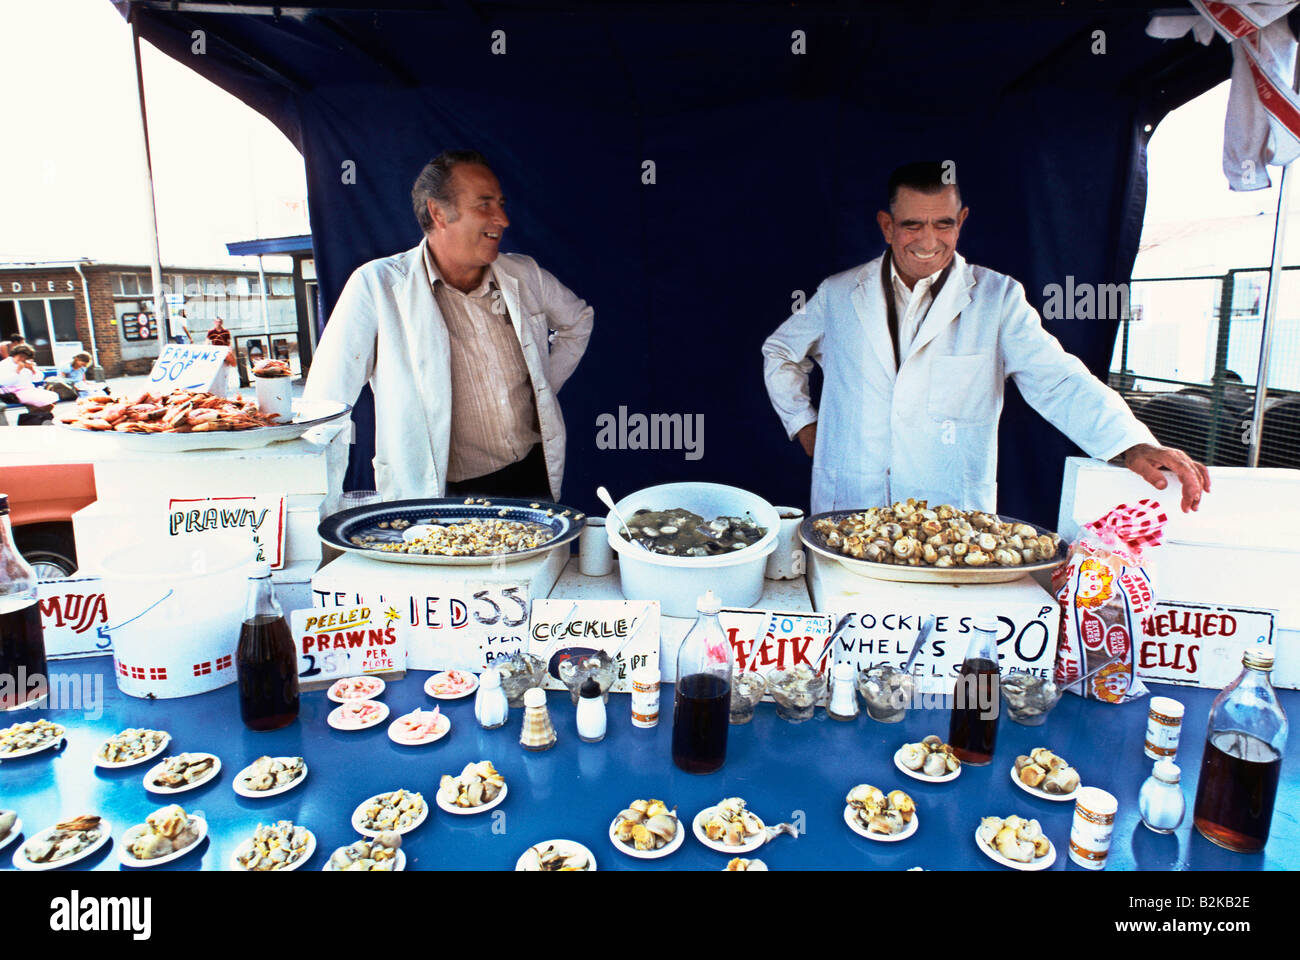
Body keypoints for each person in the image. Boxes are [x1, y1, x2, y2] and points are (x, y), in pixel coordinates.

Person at [761, 161, 1210, 515]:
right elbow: (780, 351)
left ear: (962, 221)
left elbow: (1056, 379)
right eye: (913, 224)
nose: (928, 240)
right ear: (886, 225)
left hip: (947, 511)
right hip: (850, 500)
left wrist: (1131, 443)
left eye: (944, 224)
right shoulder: (840, 294)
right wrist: (804, 424)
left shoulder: (998, 298)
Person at [304, 150, 594, 501]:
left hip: (531, 477)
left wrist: (542, 388)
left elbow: (577, 320)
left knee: (538, 559)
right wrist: (314, 505)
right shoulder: (377, 286)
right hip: (441, 494)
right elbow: (324, 406)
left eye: (501, 203)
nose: (502, 219)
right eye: (484, 205)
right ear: (438, 213)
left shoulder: (524, 273)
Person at [0, 344, 58, 423]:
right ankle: (35, 419)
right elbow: (4, 382)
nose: (22, 359)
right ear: (14, 354)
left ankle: (34, 418)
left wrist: (32, 369)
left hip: (28, 389)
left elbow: (38, 378)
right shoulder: (4, 364)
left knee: (53, 396)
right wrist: (18, 371)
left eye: (25, 357)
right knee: (43, 401)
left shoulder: (28, 364)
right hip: (12, 391)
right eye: (20, 356)